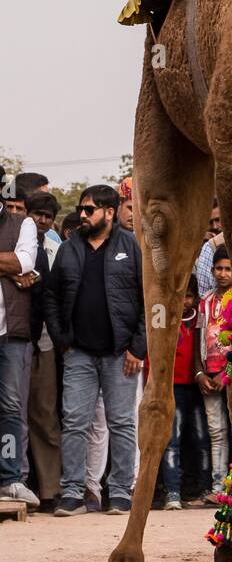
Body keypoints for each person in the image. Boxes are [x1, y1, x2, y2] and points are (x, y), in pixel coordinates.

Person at [46, 184, 146, 516]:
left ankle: (119, 492)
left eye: (89, 209)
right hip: (79, 353)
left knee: (121, 423)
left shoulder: (131, 246)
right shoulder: (69, 248)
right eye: (80, 209)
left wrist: (138, 347)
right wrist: (62, 340)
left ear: (109, 212)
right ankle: (73, 493)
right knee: (74, 421)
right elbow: (52, 296)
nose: (82, 215)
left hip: (121, 354)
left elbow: (150, 299)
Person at [0, 170, 39, 507]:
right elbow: (15, 265)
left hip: (10, 333)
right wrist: (9, 266)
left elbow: (26, 261)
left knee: (11, 407)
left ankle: (11, 478)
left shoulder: (22, 224)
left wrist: (17, 266)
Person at [25, 191, 62, 509]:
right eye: (37, 214)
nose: (42, 220)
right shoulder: (12, 242)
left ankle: (50, 488)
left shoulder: (55, 249)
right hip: (13, 336)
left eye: (48, 216)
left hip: (45, 341)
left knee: (45, 415)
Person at [161, 277, 210, 509]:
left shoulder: (201, 319)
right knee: (173, 440)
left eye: (188, 296)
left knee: (202, 439)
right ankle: (172, 491)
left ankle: (204, 488)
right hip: (173, 386)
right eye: (180, 296)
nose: (183, 302)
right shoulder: (164, 319)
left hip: (198, 386)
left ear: (196, 297)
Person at [195, 245, 232, 504]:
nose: (222, 274)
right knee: (216, 430)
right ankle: (218, 487)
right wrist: (199, 373)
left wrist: (227, 373)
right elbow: (198, 338)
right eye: (218, 268)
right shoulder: (205, 301)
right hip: (209, 374)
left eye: (228, 269)